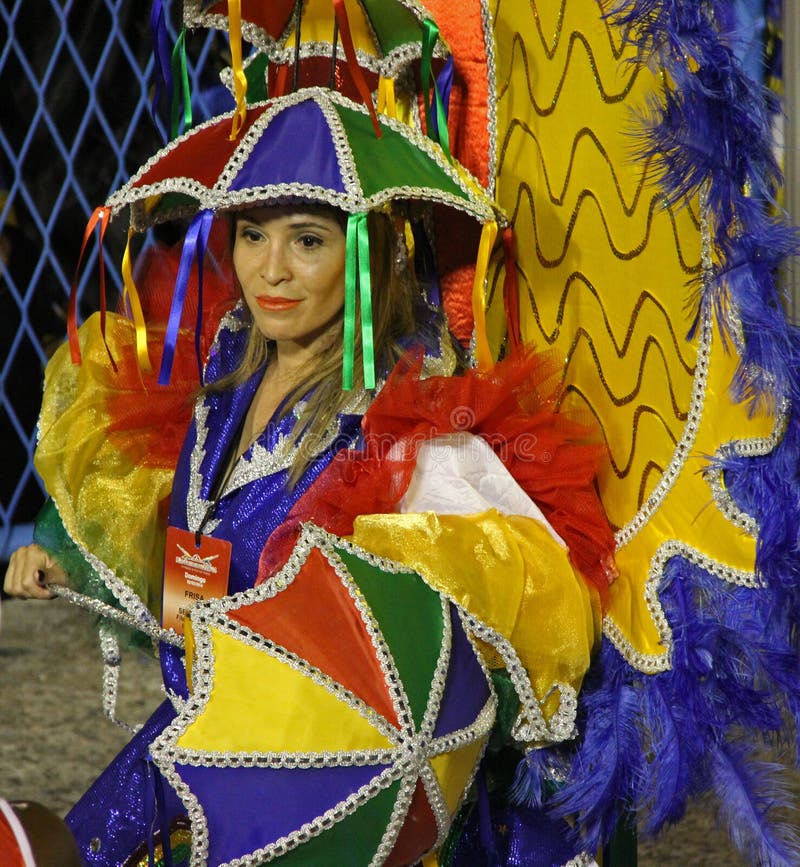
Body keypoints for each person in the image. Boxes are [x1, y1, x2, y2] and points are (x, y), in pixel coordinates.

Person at [4, 90, 614, 866]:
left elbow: (513, 610)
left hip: (321, 790)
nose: (270, 270)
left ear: (367, 255)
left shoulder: (400, 427)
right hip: (209, 732)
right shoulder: (227, 359)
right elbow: (184, 526)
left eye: (309, 241)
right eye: (254, 233)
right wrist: (67, 558)